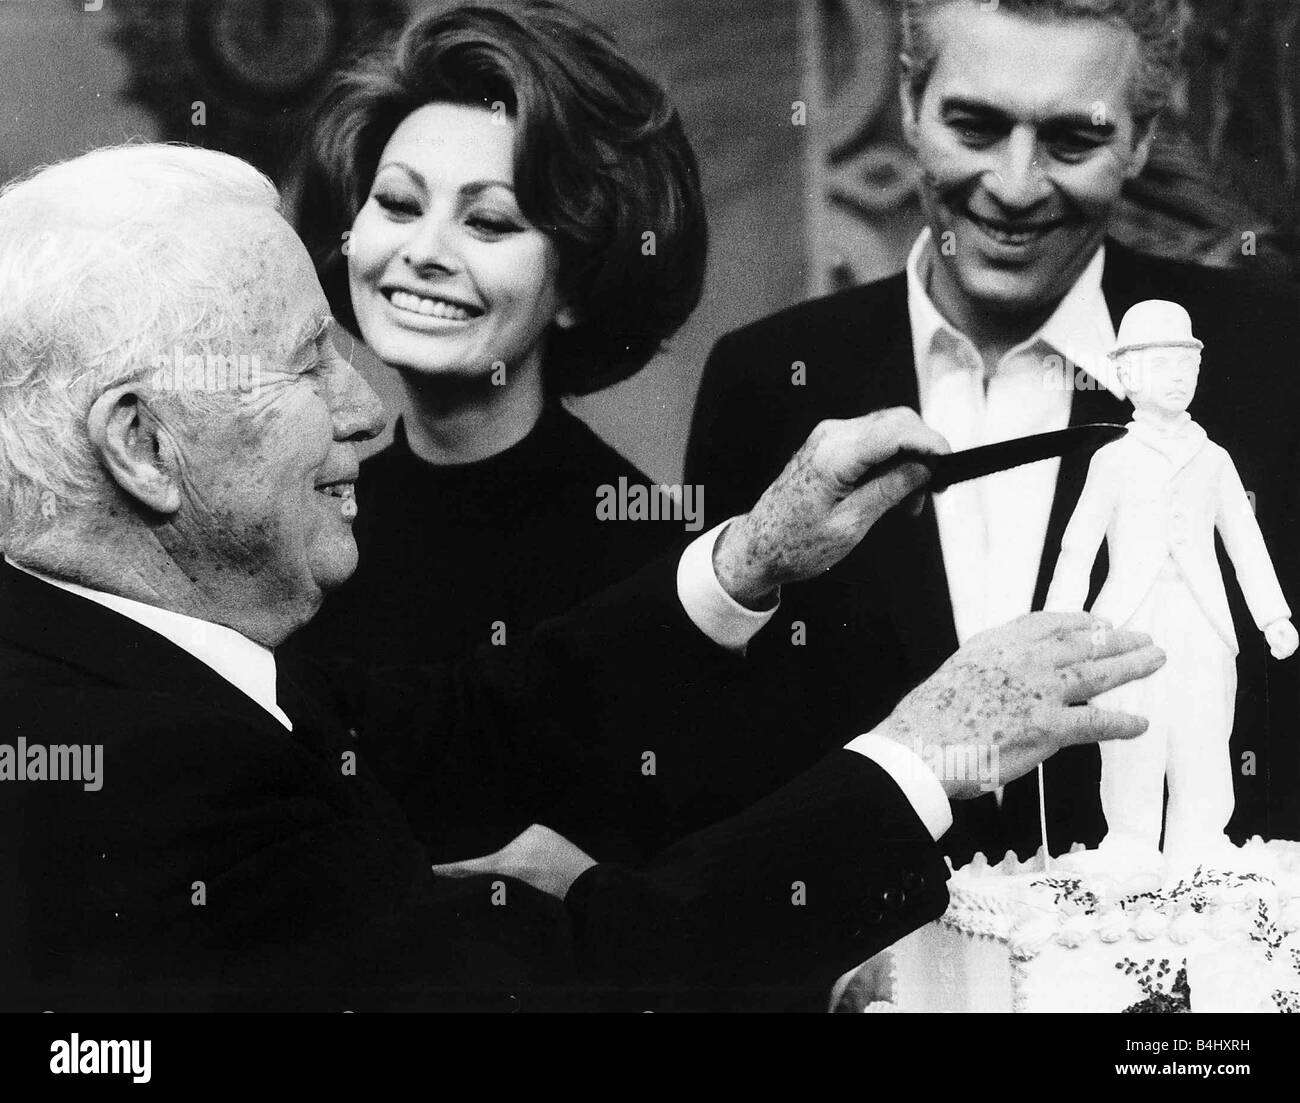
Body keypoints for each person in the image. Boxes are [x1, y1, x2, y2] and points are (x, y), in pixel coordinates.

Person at [0, 143, 1163, 1012]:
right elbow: (578, 986)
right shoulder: (142, 770)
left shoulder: (107, 661)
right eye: (310, 364)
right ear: (143, 444)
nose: (362, 408)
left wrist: (753, 555)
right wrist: (930, 748)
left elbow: (468, 724)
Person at [686, 0, 1300, 862]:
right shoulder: (766, 380)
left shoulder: (1277, 358)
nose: (1014, 186)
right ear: (908, 105)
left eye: (1072, 141)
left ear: (1142, 138)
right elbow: (717, 739)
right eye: (975, 126)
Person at [285, 1, 699, 678]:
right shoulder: (304, 531)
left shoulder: (645, 553)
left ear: (577, 283)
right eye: (397, 203)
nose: (425, 251)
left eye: (488, 221)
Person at [1047, 300, 1297, 869]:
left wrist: (1271, 615)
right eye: (1165, 366)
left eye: (1189, 366)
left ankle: (1200, 837)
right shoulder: (1112, 461)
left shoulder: (1214, 459)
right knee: (1132, 725)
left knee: (1205, 723)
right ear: (1129, 374)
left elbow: (1244, 538)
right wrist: (1059, 625)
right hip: (1131, 620)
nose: (1180, 379)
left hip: (1202, 616)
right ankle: (1131, 841)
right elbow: (1078, 546)